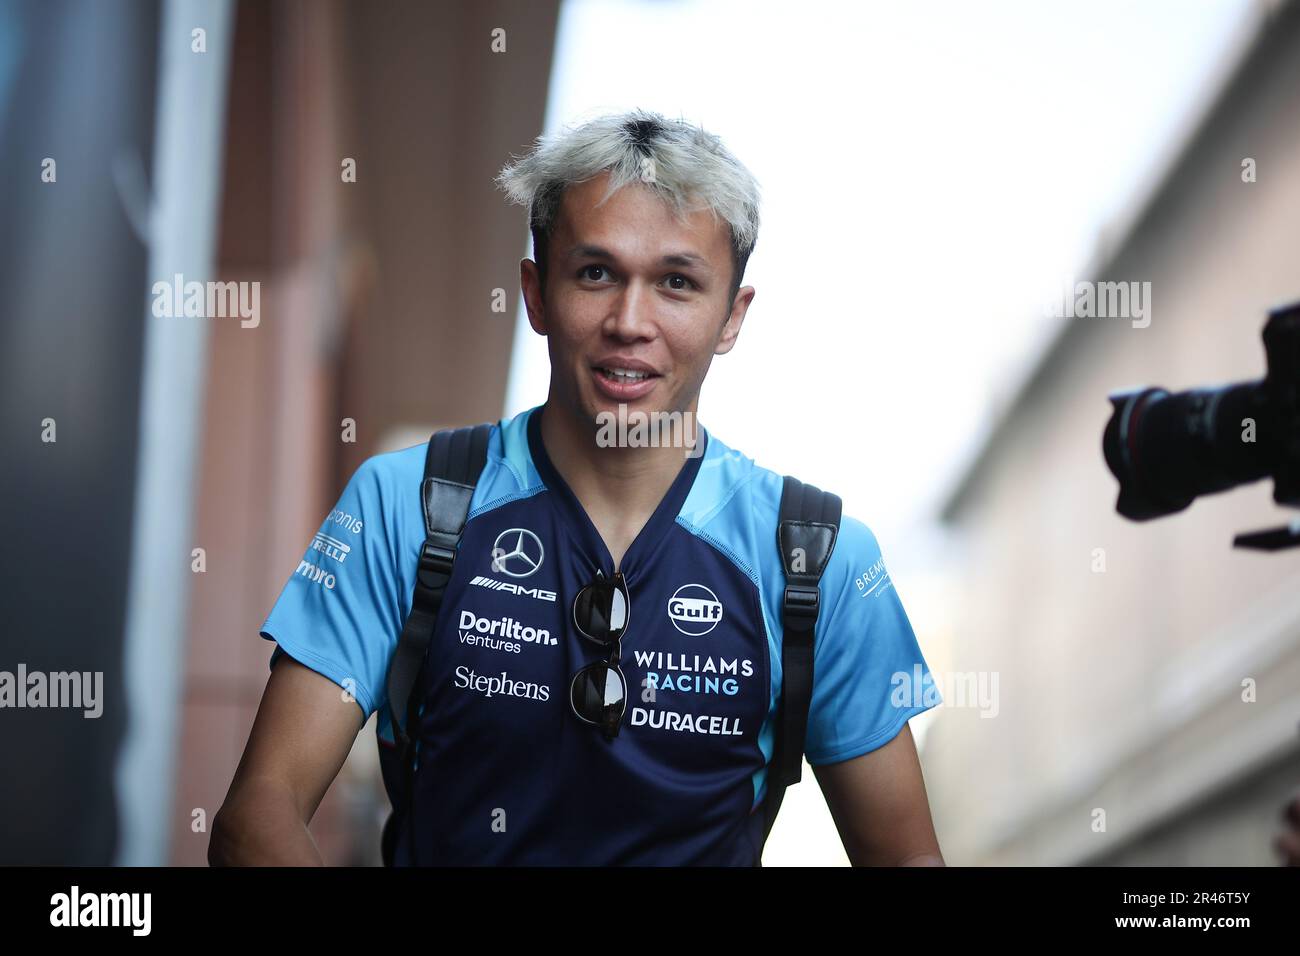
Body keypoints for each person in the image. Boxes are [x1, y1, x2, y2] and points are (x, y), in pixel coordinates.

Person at [209, 109, 945, 866]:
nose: (630, 321)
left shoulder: (818, 562)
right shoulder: (409, 504)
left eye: (677, 283)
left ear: (733, 315)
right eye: (595, 273)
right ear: (535, 292)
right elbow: (257, 815)